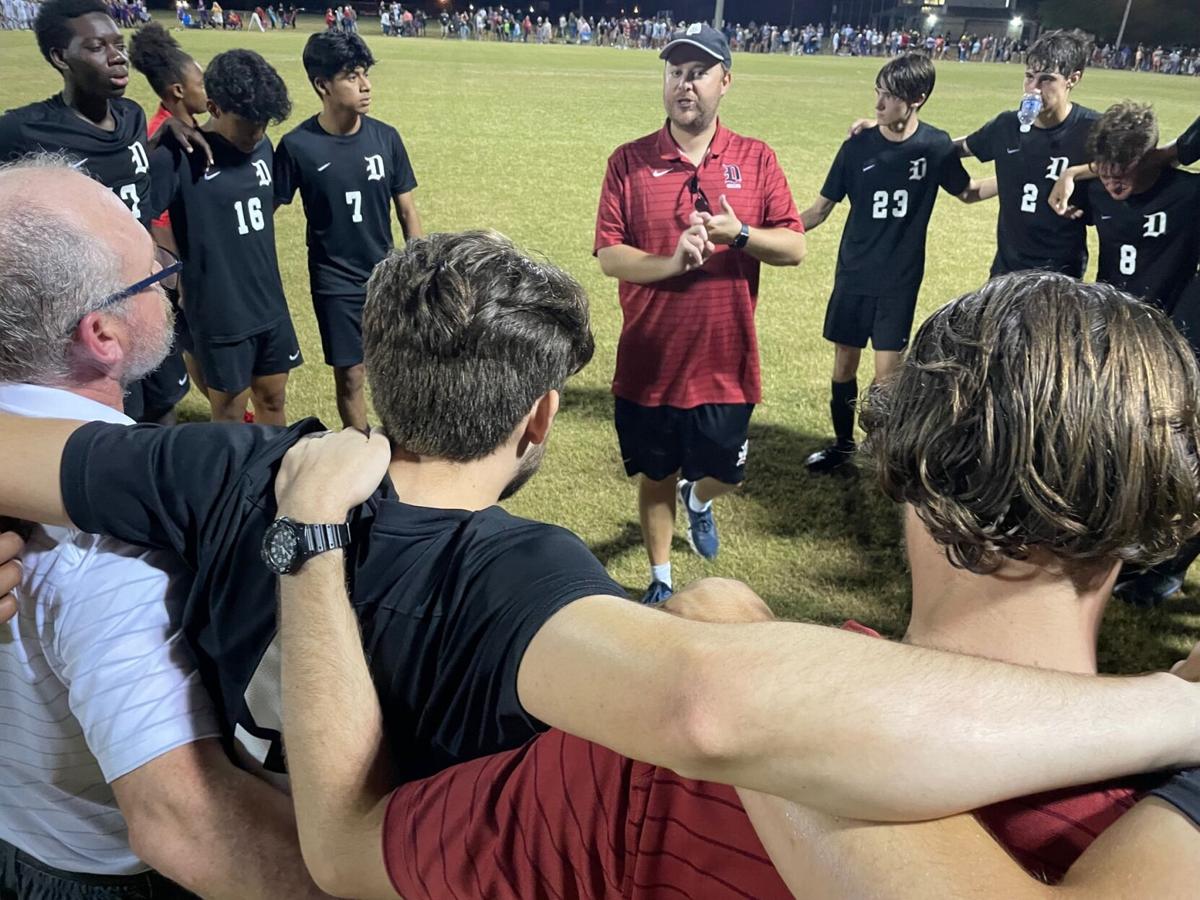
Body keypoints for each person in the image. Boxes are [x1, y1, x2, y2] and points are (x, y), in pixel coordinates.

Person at [8, 233, 1200, 899]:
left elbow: (347, 848)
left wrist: (731, 634)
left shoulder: (635, 766)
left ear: (897, 462)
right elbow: (706, 700)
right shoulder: (551, 595)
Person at [0, 155, 323, 898]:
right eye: (151, 273)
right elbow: (186, 820)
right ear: (103, 334)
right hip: (103, 875)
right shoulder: (105, 536)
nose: (170, 279)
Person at [594, 23, 806, 604]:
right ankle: (661, 578)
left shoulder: (755, 158)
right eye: (675, 72)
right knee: (654, 475)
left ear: (725, 81)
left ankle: (702, 498)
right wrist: (673, 264)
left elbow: (794, 246)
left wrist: (739, 234)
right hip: (649, 363)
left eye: (698, 73)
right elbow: (611, 256)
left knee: (726, 473)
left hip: (724, 362)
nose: (684, 85)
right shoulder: (629, 163)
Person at [0, 0, 208, 424]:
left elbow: (132, 182)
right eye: (97, 46)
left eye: (118, 44)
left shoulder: (130, 117)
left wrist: (163, 133)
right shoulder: (26, 130)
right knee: (110, 420)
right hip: (90, 313)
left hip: (146, 292)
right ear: (61, 58)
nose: (116, 56)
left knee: (164, 405)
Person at [800, 53, 994, 473]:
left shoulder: (934, 146)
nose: (879, 104)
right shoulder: (857, 146)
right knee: (843, 365)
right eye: (878, 92)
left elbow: (968, 191)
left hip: (898, 281)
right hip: (853, 274)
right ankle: (841, 446)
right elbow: (818, 211)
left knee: (886, 379)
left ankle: (880, 451)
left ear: (917, 99)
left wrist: (1018, 177)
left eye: (889, 96)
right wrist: (763, 232)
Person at [275, 32, 423, 430]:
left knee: (398, 371)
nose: (365, 85)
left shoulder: (386, 138)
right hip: (334, 282)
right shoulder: (297, 146)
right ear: (322, 84)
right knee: (352, 377)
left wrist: (420, 270)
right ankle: (359, 450)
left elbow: (407, 211)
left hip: (387, 277)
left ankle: (402, 450)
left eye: (365, 74)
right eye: (352, 76)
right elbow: (264, 203)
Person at [149, 49, 302, 426]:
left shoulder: (263, 148)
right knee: (230, 414)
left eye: (264, 123)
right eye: (249, 123)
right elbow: (131, 201)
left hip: (269, 304)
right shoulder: (181, 154)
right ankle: (234, 485)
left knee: (273, 400)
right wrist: (153, 141)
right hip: (218, 314)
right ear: (214, 108)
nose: (259, 133)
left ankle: (270, 483)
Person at [129, 20, 210, 411]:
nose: (208, 88)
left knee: (197, 339)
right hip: (177, 268)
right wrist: (176, 276)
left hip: (196, 262)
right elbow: (152, 216)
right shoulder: (165, 139)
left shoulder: (188, 128)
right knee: (191, 341)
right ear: (178, 91)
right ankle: (222, 405)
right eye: (202, 82)